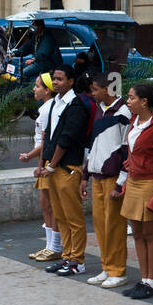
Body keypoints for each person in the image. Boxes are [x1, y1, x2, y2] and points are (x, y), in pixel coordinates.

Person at [117, 83, 153, 299]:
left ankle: (152, 281)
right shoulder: (134, 122)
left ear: (144, 101)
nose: (128, 102)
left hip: (150, 184)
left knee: (150, 234)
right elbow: (133, 154)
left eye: (131, 98)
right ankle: (143, 279)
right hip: (134, 183)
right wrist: (128, 177)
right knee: (138, 234)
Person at [38, 65, 91, 277]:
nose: (56, 82)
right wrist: (44, 163)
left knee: (73, 217)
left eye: (60, 79)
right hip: (53, 166)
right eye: (54, 79)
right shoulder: (55, 103)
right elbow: (49, 136)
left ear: (71, 81)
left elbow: (67, 137)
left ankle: (77, 260)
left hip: (68, 166)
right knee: (60, 215)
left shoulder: (75, 105)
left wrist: (52, 164)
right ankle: (66, 257)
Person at [81, 73, 132, 290]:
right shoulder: (101, 111)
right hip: (97, 176)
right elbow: (93, 145)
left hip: (113, 178)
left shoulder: (124, 112)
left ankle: (118, 270)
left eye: (95, 89)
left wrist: (121, 182)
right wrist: (85, 174)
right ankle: (107, 266)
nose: (92, 93)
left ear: (107, 89)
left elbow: (125, 149)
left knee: (115, 226)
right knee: (101, 225)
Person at [21, 73, 61, 263]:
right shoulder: (45, 108)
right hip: (44, 160)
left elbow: (45, 140)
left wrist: (33, 159)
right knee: (46, 205)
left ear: (47, 90)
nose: (34, 89)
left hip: (46, 161)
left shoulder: (47, 110)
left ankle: (55, 247)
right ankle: (50, 246)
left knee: (49, 205)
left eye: (37, 86)